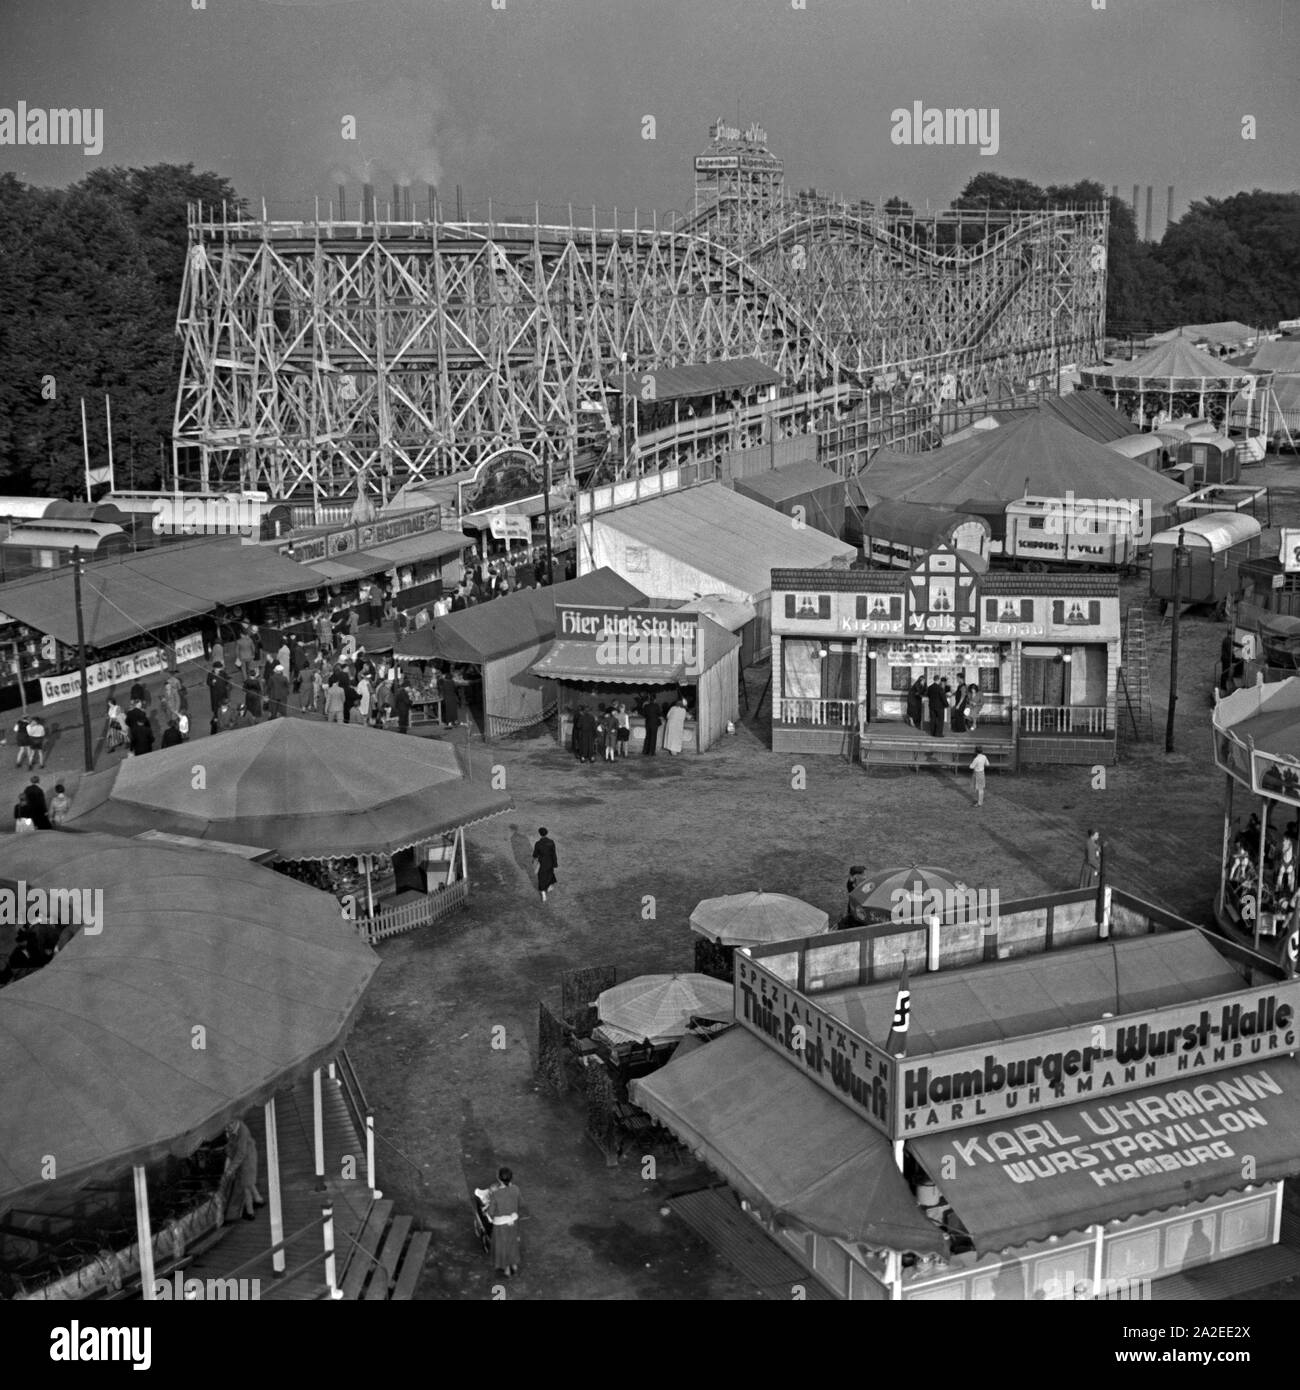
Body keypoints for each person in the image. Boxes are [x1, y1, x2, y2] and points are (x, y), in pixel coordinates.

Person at [220, 1118, 265, 1223]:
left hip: (247, 1161)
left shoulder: (243, 1132)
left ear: (235, 1121)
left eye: (230, 1124)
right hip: (244, 1160)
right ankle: (259, 1200)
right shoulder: (233, 1130)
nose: (228, 1127)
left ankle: (250, 1213)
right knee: (249, 1183)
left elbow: (241, 1153)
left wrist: (230, 1170)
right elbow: (231, 1145)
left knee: (246, 1187)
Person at [483, 1167, 521, 1276]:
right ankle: (514, 1264)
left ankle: (506, 1268)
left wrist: (487, 1210)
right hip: (513, 1222)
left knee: (502, 1246)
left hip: (501, 1225)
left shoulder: (496, 1195)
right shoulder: (516, 1189)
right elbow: (518, 1203)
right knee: (512, 1243)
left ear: (499, 1179)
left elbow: (491, 1212)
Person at [532, 827, 558, 903]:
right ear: (546, 833)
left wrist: (533, 861)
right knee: (550, 875)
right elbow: (554, 854)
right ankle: (549, 887)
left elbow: (535, 854)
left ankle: (543, 894)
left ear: (540, 834)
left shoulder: (538, 844)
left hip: (542, 863)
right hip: (550, 863)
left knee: (541, 878)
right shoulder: (551, 842)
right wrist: (555, 863)